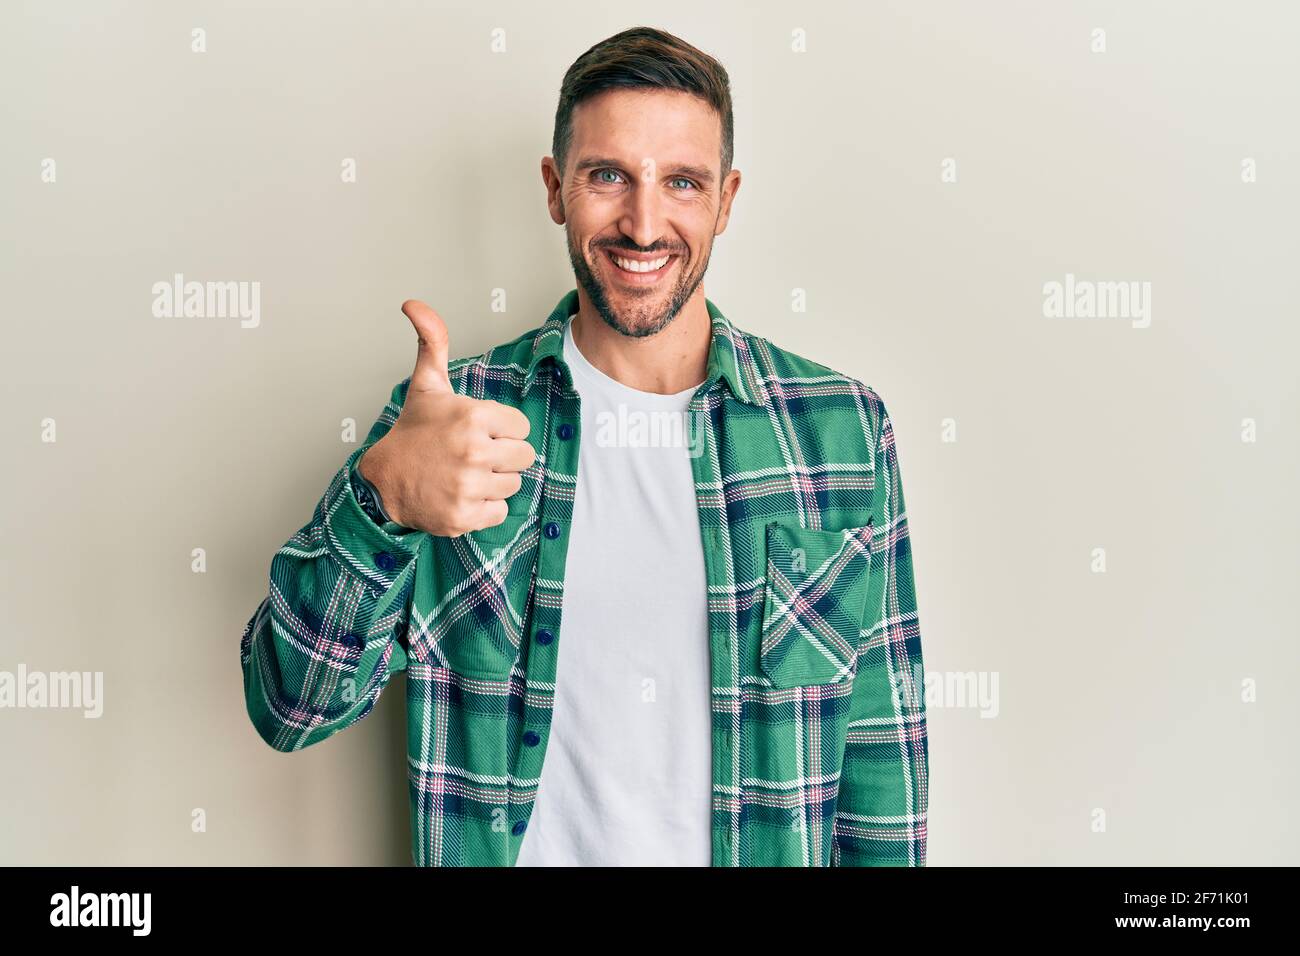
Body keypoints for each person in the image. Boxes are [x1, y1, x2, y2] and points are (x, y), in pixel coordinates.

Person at [240, 25, 928, 867]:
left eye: (681, 181)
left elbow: (880, 770)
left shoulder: (841, 433)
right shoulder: (452, 423)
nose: (644, 224)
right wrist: (378, 498)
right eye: (608, 176)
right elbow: (290, 708)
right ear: (555, 187)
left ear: (726, 199)